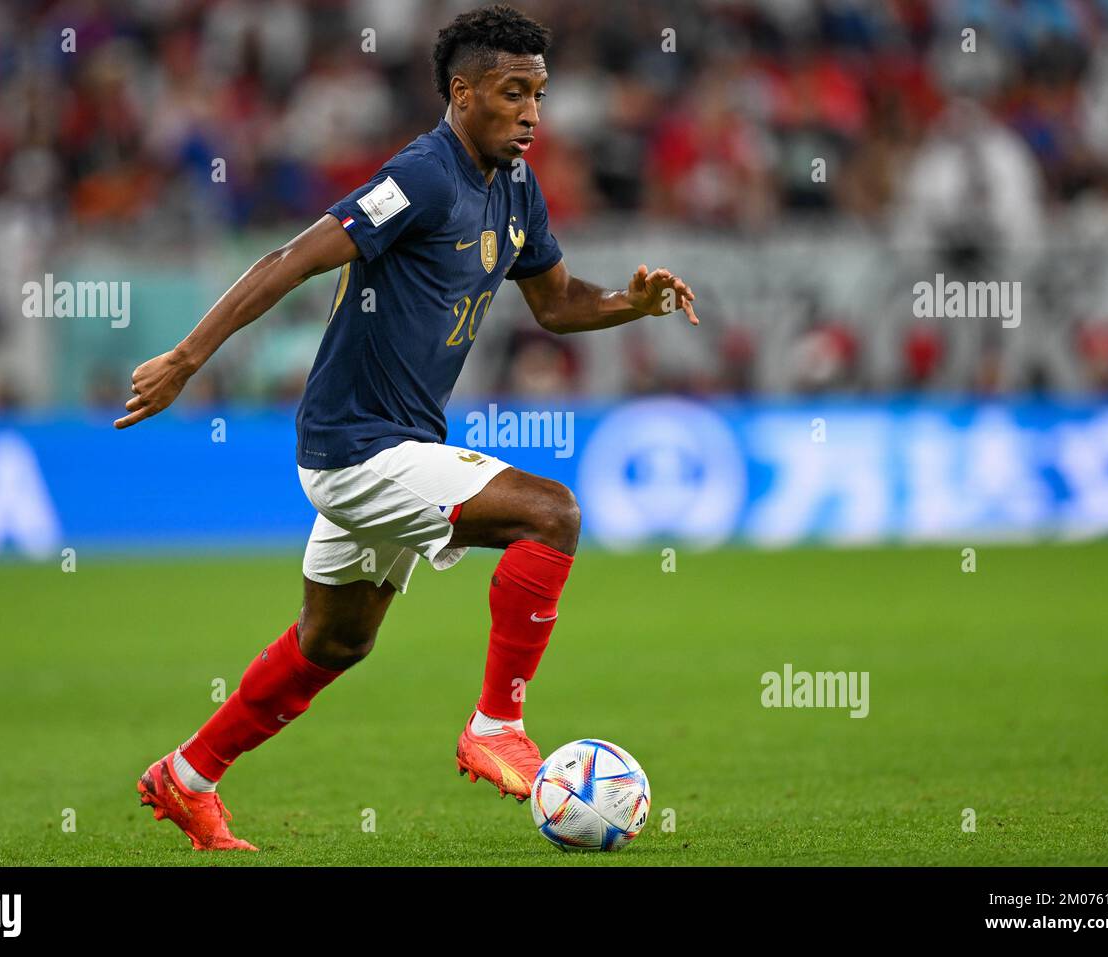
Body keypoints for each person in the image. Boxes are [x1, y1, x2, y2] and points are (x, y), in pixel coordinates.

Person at [116, 4, 698, 851]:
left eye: (539, 92)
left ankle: (187, 775)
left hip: (401, 444)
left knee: (336, 640)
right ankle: (497, 722)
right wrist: (185, 359)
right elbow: (291, 259)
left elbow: (557, 302)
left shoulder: (517, 188)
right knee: (552, 514)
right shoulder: (422, 177)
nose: (533, 111)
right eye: (513, 92)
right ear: (461, 94)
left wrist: (628, 304)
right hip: (355, 448)